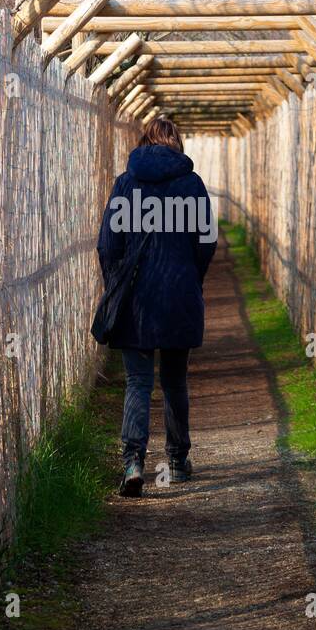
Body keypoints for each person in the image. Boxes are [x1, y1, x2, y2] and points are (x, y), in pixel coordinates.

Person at [96, 117, 218, 497]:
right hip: (178, 296)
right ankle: (178, 460)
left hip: (136, 301)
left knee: (137, 381)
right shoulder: (191, 184)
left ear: (144, 142)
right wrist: (190, 279)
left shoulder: (126, 184)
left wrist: (116, 284)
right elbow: (207, 241)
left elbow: (108, 245)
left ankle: (133, 462)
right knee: (174, 381)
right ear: (176, 144)